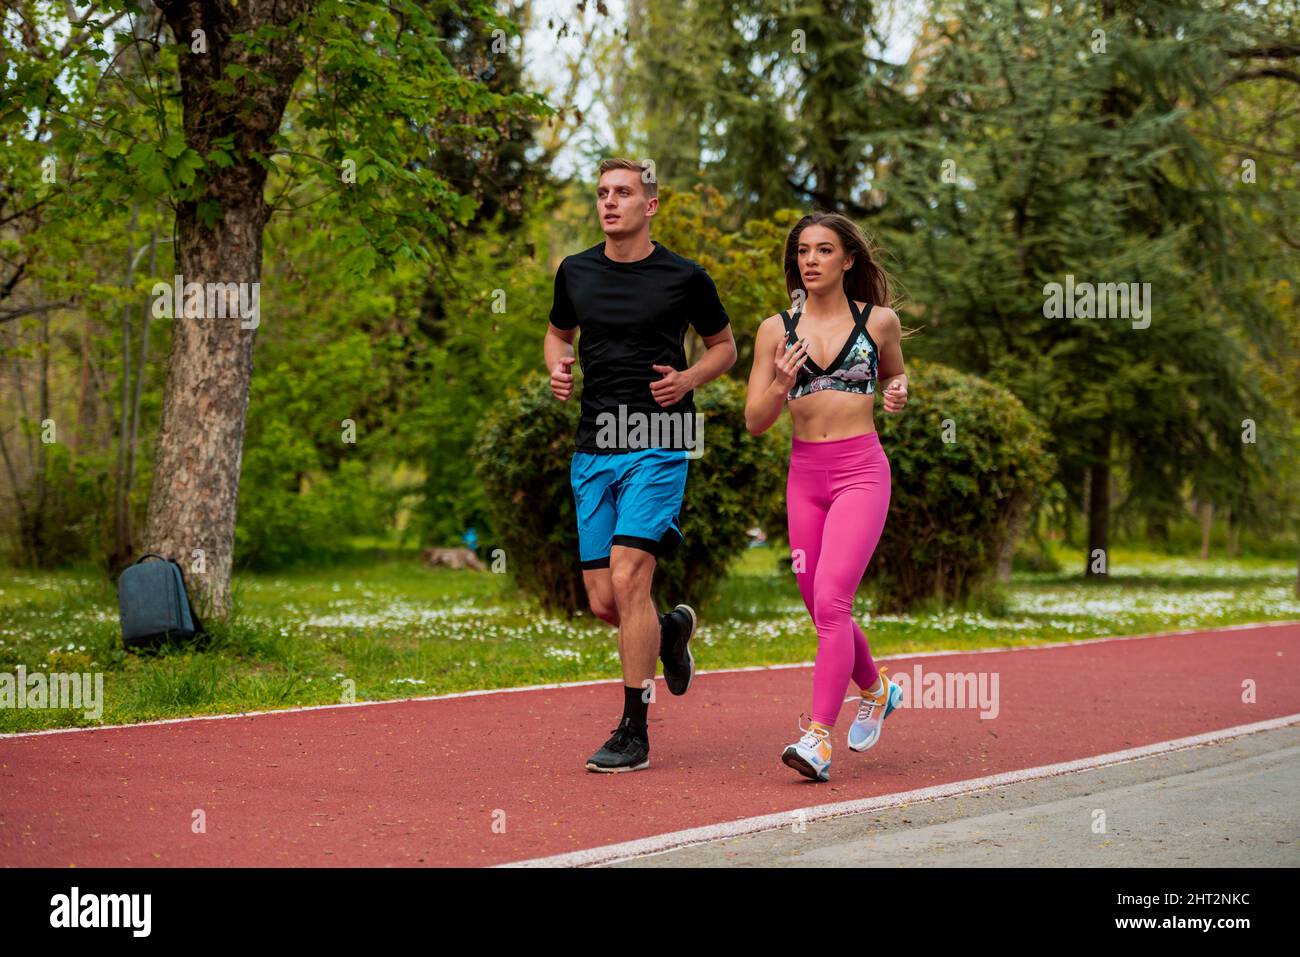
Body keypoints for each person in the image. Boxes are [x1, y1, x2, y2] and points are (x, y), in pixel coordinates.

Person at [544, 158, 737, 772]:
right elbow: (558, 334)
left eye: (623, 193)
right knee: (605, 601)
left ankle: (634, 728)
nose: (609, 202)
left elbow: (725, 348)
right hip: (594, 442)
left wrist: (687, 379)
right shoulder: (575, 271)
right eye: (602, 193)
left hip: (659, 436)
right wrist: (558, 364)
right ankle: (673, 630)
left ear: (649, 205)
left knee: (630, 579)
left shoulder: (685, 277)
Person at [743, 212, 909, 782]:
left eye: (823, 250)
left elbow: (893, 376)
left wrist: (897, 391)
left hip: (861, 472)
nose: (810, 260)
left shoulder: (878, 321)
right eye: (803, 252)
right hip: (805, 479)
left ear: (848, 260)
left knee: (833, 602)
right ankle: (878, 688)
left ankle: (817, 737)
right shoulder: (775, 330)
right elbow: (755, 421)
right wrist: (782, 382)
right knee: (820, 605)